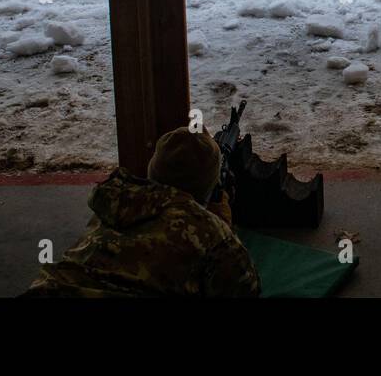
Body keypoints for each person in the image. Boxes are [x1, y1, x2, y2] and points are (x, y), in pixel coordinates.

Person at [26, 127, 260, 297]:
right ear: (207, 185)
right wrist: (221, 224)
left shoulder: (115, 204)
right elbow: (245, 289)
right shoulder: (208, 231)